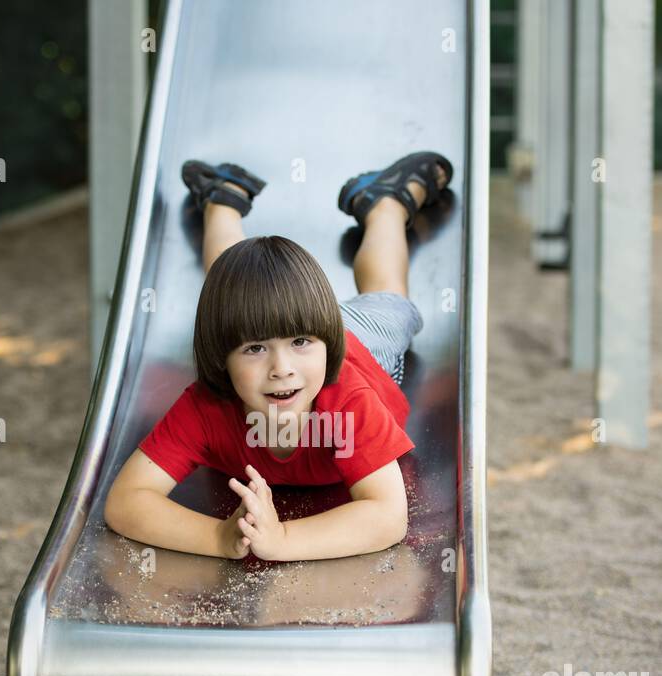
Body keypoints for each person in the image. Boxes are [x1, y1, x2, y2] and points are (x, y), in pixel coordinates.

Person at [103, 151, 453, 562]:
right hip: (304, 334)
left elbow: (387, 516)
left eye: (298, 345)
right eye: (254, 350)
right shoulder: (207, 406)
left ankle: (385, 204)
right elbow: (126, 501)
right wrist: (217, 537)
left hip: (358, 342)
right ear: (221, 358)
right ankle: (223, 199)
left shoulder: (346, 402)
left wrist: (282, 539)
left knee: (388, 292)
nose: (281, 369)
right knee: (232, 290)